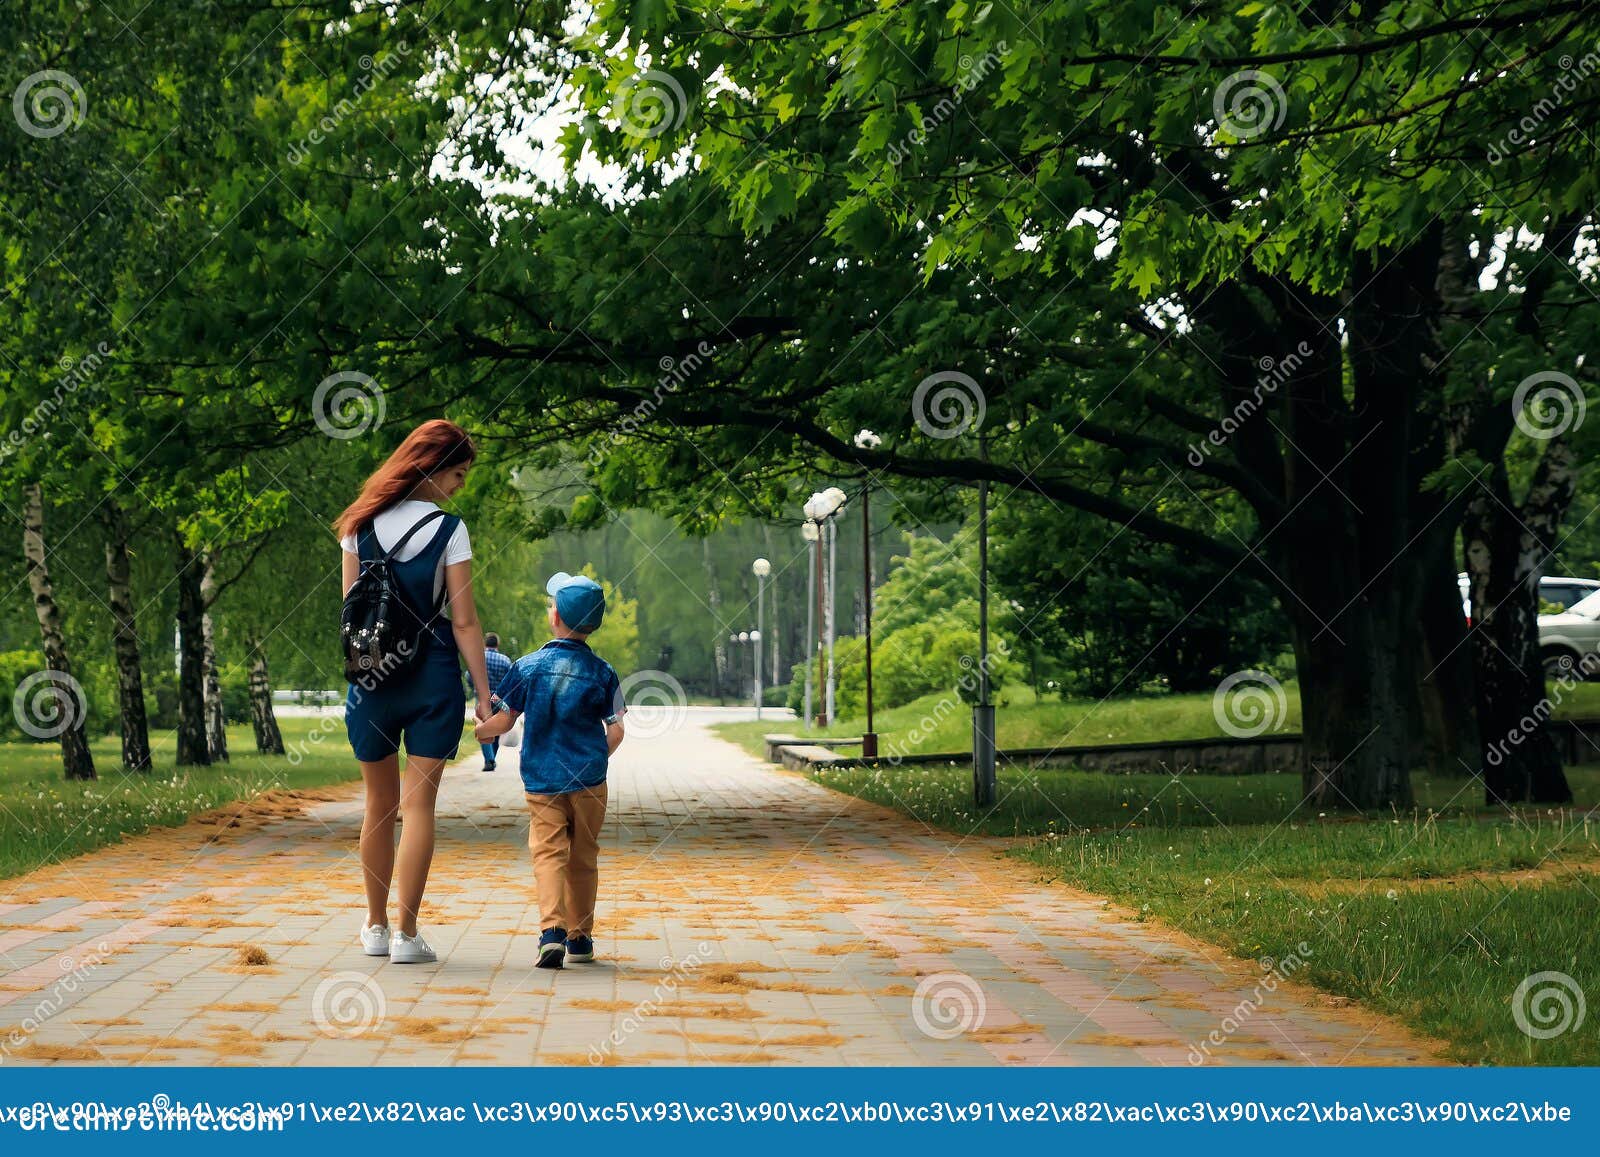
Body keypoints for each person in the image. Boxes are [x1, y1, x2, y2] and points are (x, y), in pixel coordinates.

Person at [335, 419, 492, 965]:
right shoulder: (450, 531)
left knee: (378, 805)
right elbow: (465, 622)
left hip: (372, 681)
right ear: (432, 467)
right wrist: (484, 695)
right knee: (419, 805)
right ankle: (407, 935)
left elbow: (352, 612)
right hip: (433, 678)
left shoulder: (358, 524)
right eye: (458, 473)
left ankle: (375, 927)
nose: (459, 486)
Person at [474, 572, 625, 969]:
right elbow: (617, 730)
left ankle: (552, 933)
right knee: (584, 856)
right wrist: (596, 759)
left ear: (555, 616)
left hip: (543, 781)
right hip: (590, 781)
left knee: (548, 853)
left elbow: (503, 721)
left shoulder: (527, 667)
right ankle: (581, 938)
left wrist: (480, 731)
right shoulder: (604, 672)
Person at [477, 633, 514, 771]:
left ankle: (489, 759)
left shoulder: (479, 657)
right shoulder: (505, 660)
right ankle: (492, 757)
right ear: (497, 644)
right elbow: (511, 680)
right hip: (498, 698)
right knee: (497, 726)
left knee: (483, 726)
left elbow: (469, 676)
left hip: (482, 696)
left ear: (485, 643)